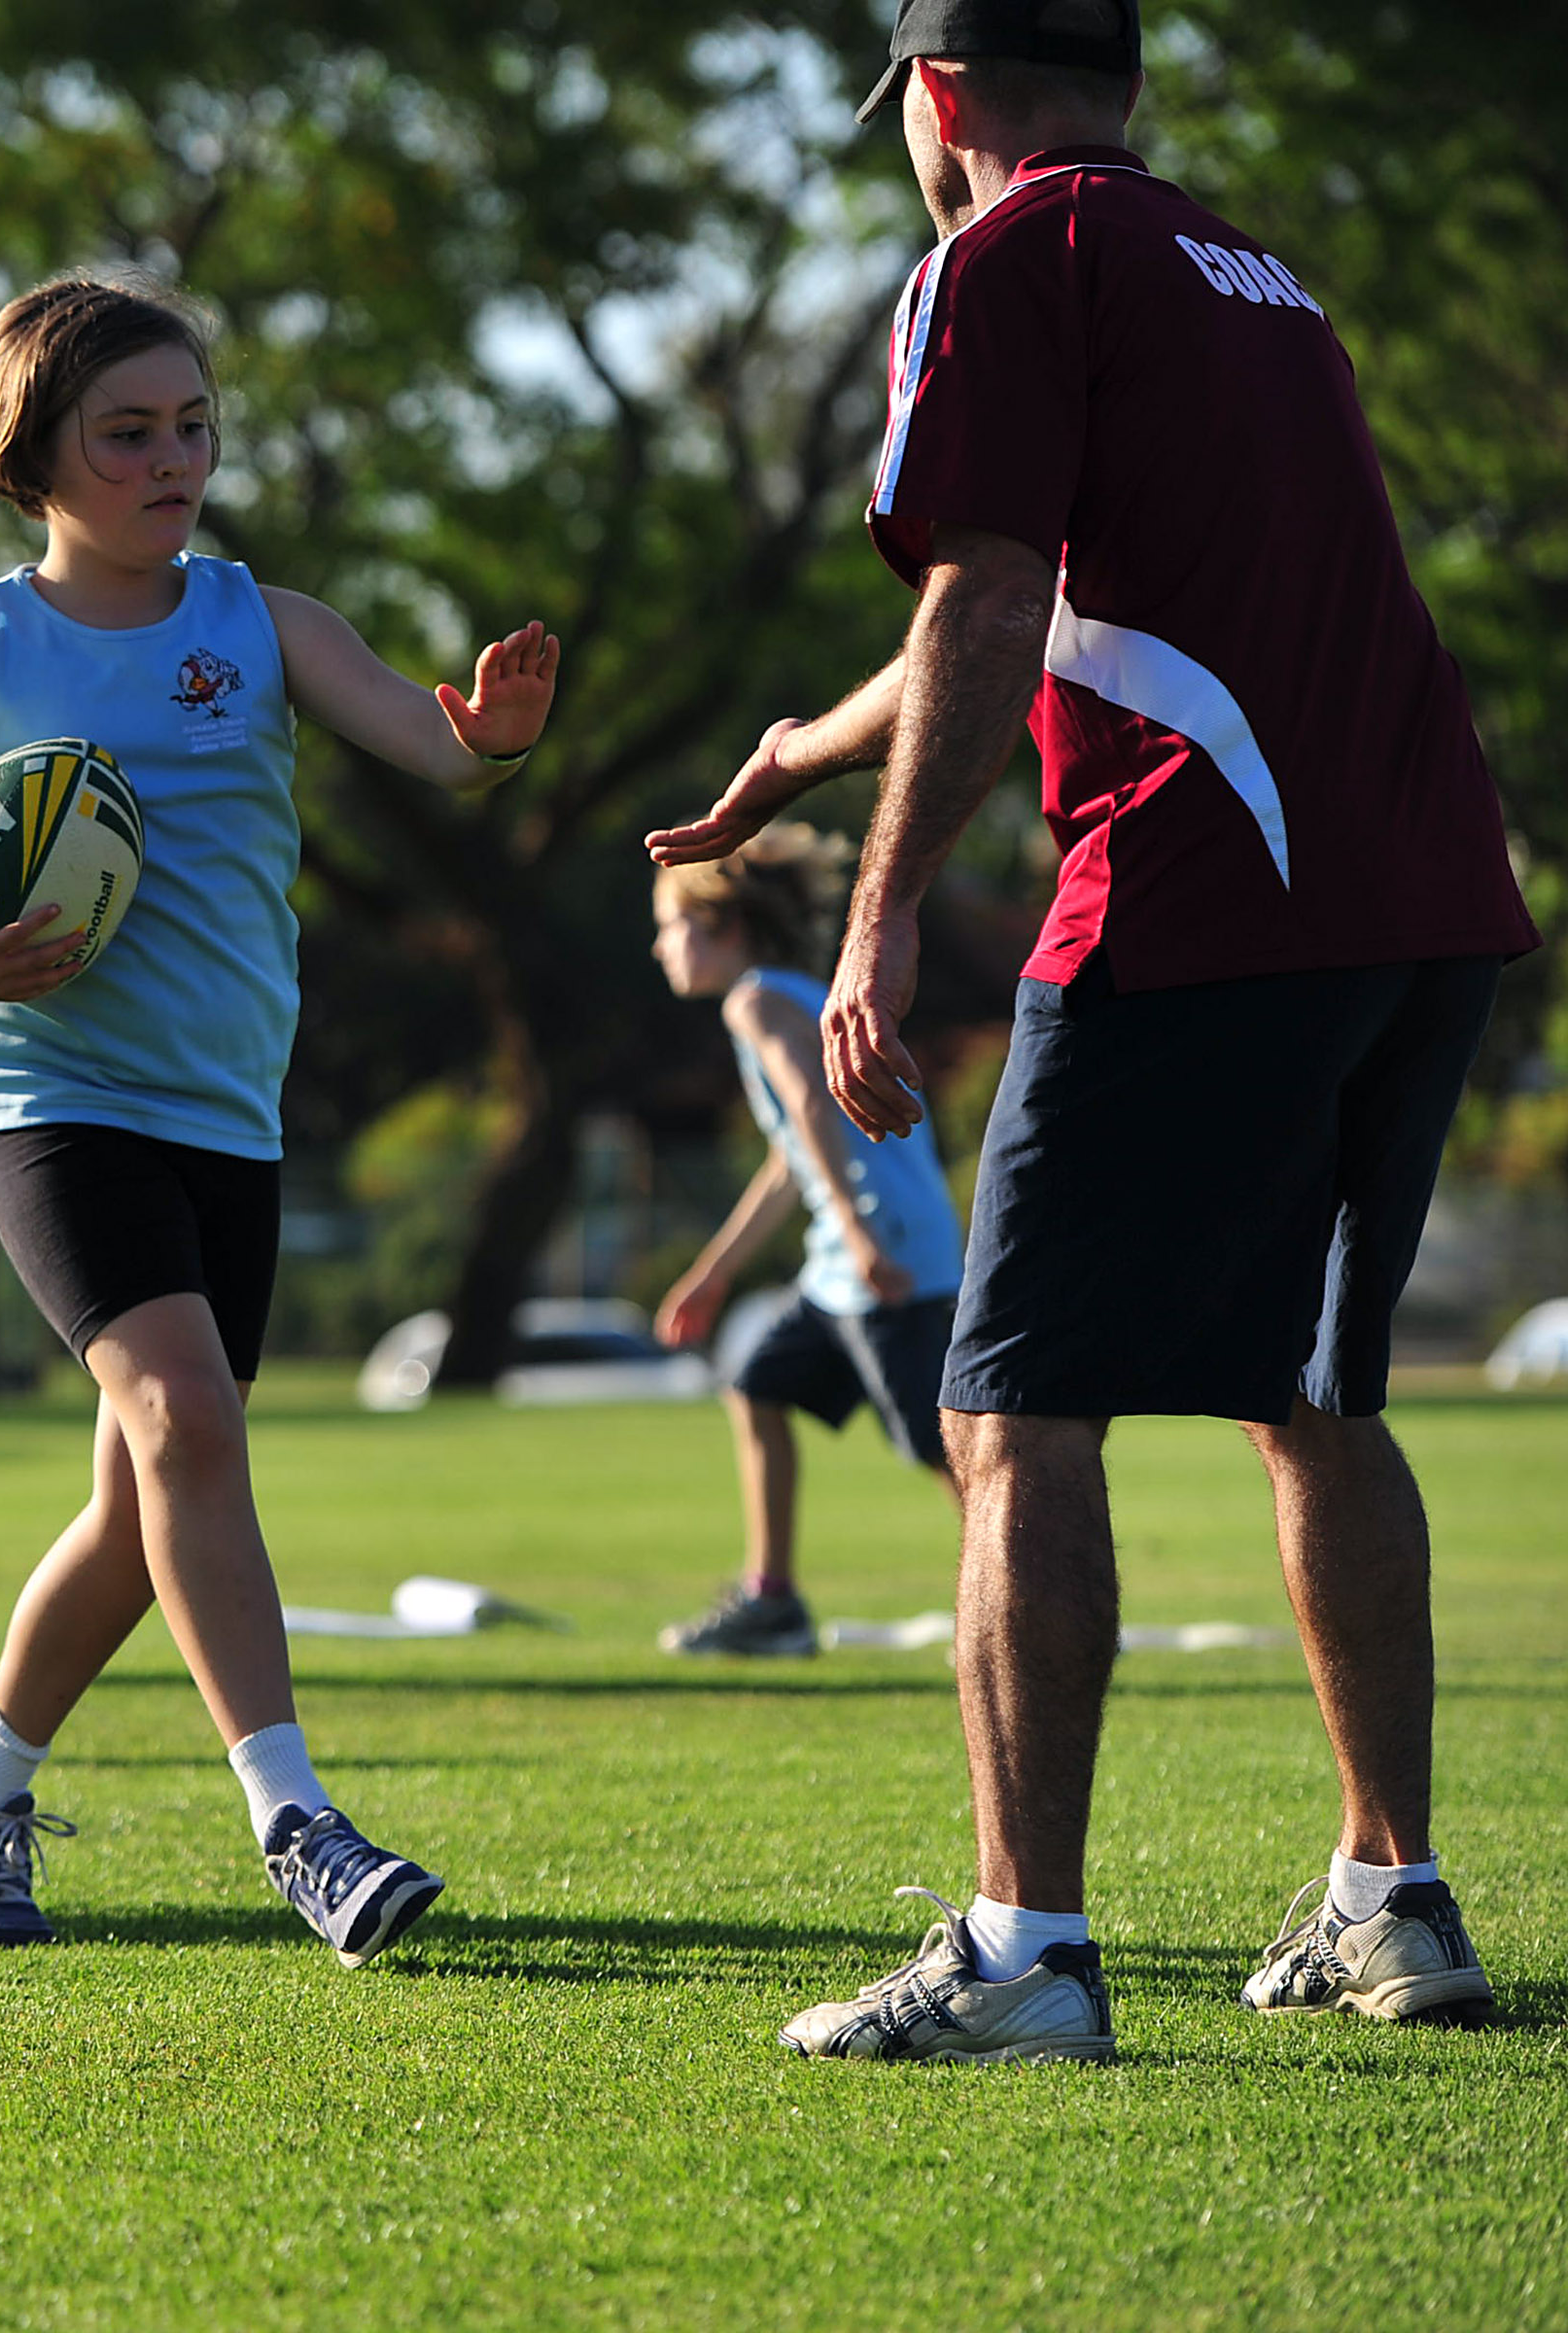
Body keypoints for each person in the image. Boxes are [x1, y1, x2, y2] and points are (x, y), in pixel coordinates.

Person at [651, 0, 1537, 2059]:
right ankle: (1391, 1899)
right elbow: (1081, 591)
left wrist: (870, 927)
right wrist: (804, 748)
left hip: (1200, 889)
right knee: (1316, 1397)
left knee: (1010, 1415)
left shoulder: (1000, 254)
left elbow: (976, 601)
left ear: (933, 97)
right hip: (1414, 898)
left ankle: (1026, 1951)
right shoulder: (1254, 271)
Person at [0, 273, 559, 1960]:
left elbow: (431, 750)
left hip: (229, 1116)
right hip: (56, 1103)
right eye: (128, 432)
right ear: (31, 456)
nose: (175, 459)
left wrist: (493, 740)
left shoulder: (264, 623)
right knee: (190, 1425)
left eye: (193, 426)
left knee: (150, 1508)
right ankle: (298, 1820)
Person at [648, 825, 964, 1656]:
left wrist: (861, 1237)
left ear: (723, 926)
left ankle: (1027, 1589)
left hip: (880, 1254)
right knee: (756, 1384)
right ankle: (774, 1599)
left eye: (671, 926)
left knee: (941, 1446)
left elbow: (814, 1111)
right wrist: (713, 1275)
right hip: (845, 1260)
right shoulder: (790, 991)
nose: (659, 947)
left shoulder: (755, 1001)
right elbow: (791, 1161)